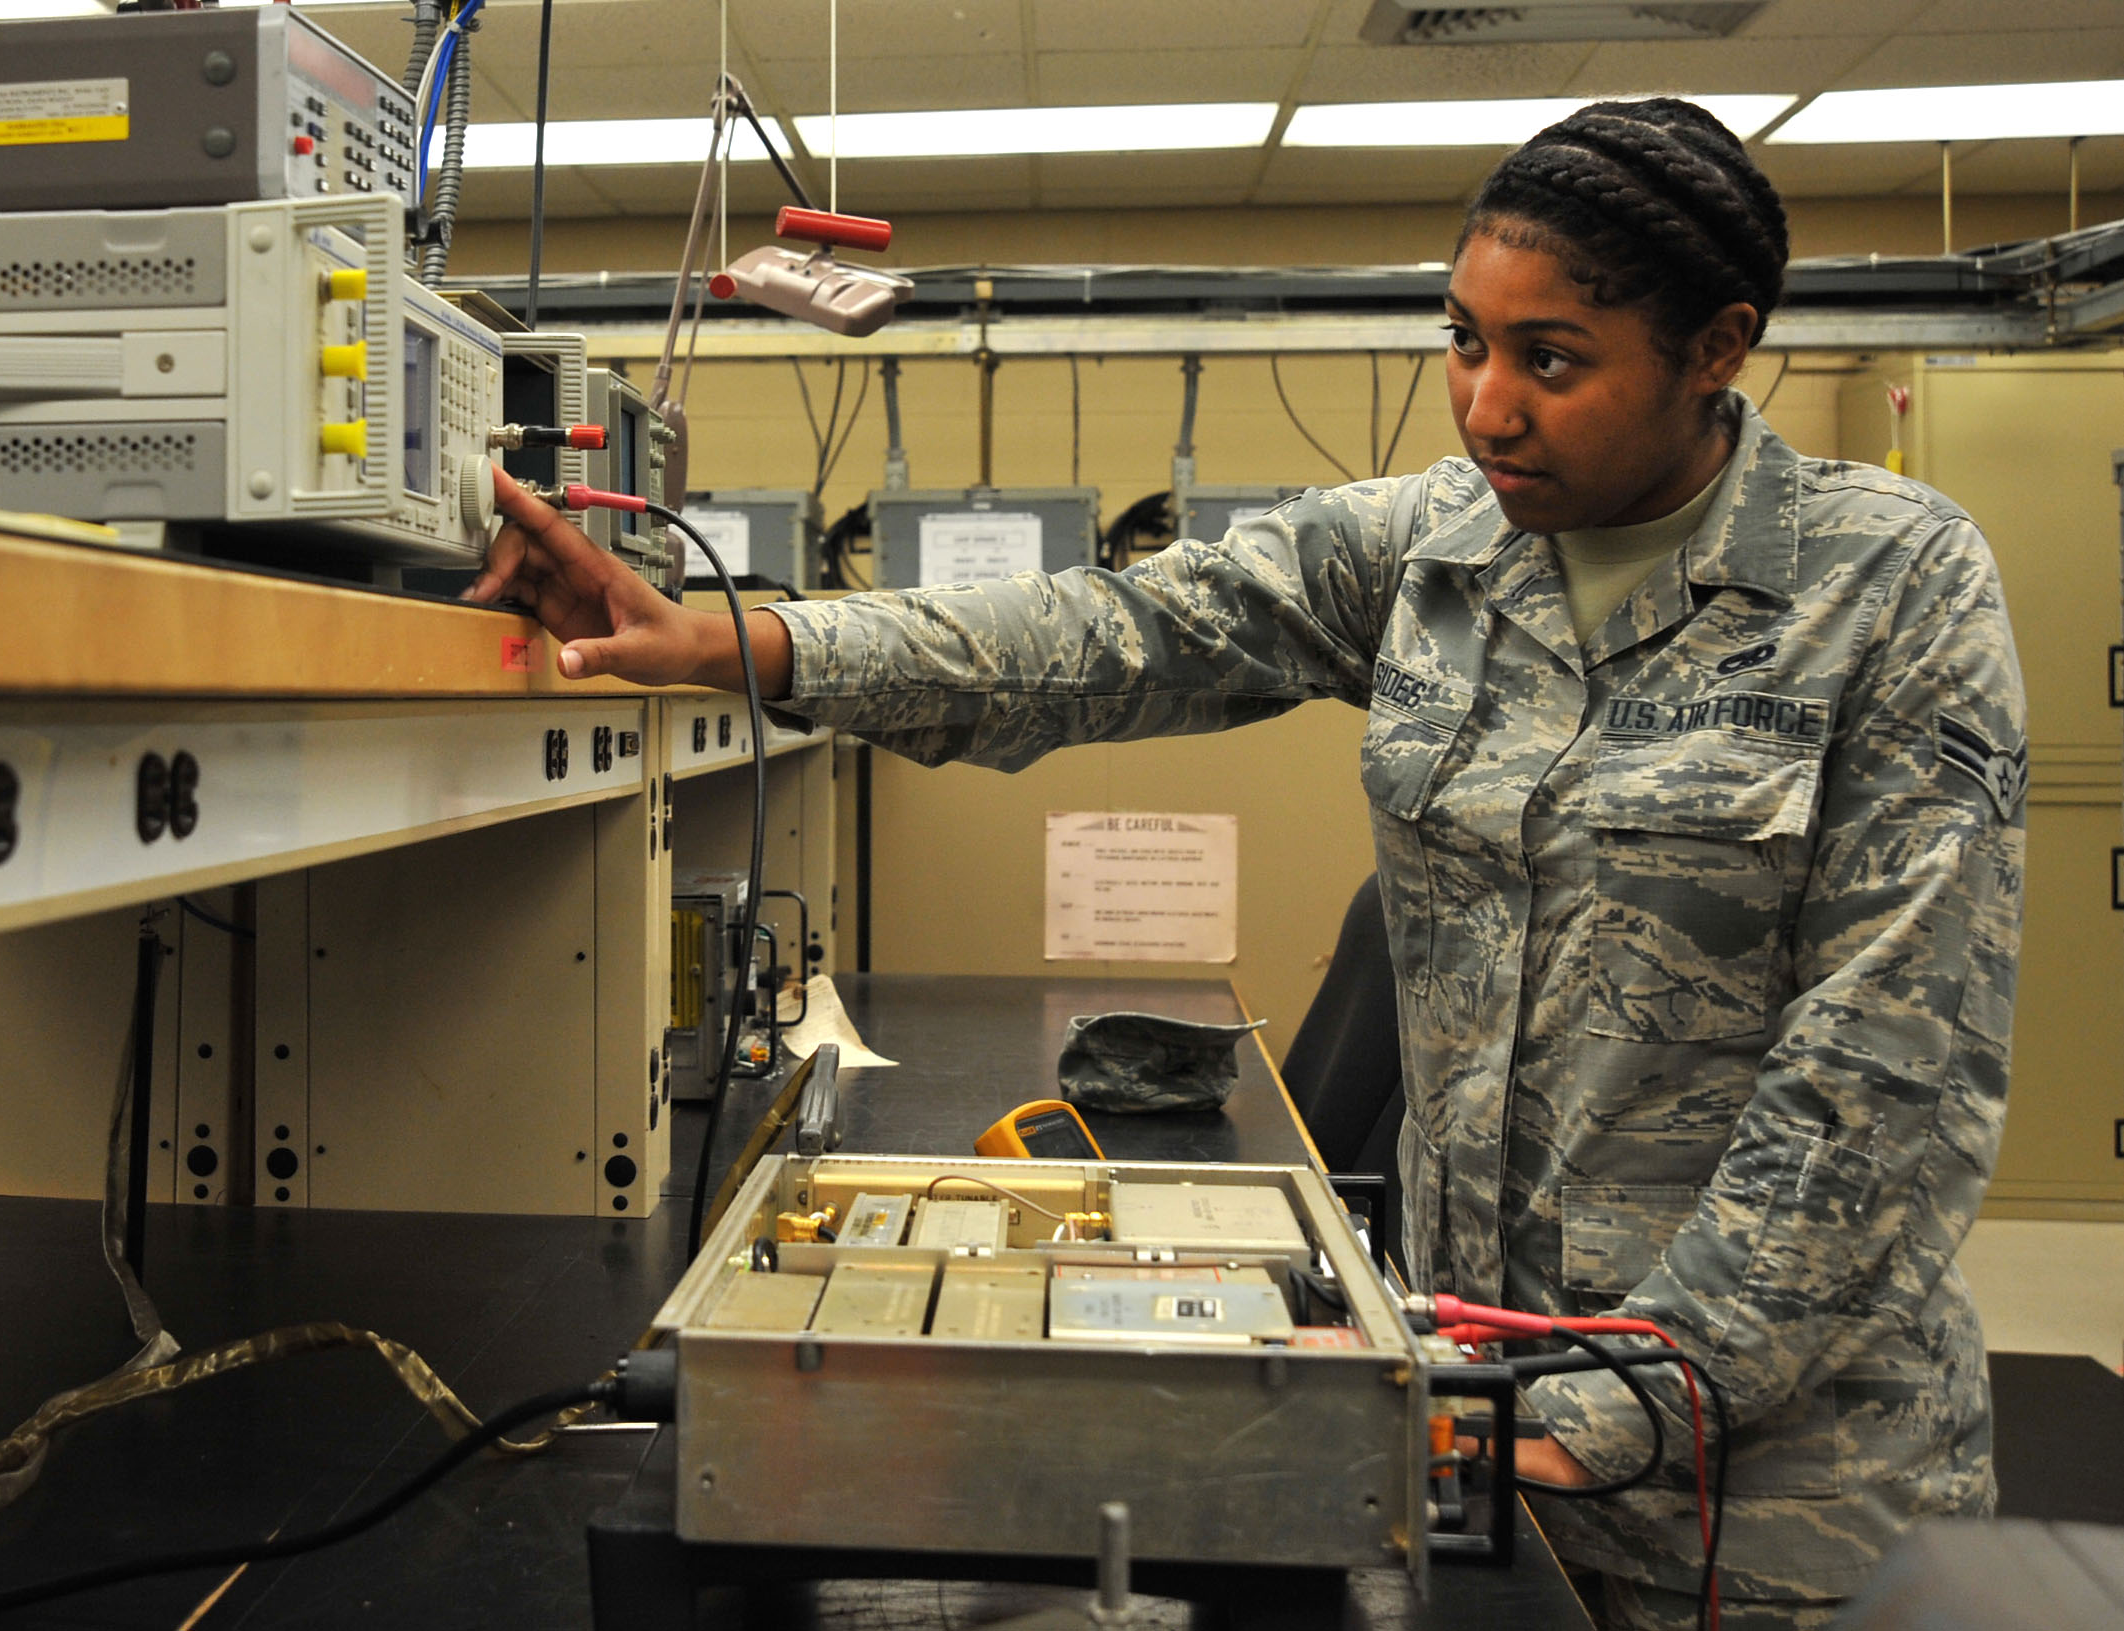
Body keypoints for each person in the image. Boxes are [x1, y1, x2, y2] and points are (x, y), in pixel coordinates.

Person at [467, 98, 2025, 1631]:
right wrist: (731, 635)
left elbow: (1885, 1070)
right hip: (1479, 1403)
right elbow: (1101, 635)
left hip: (1774, 1480)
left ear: (1715, 351)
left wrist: (1619, 1405)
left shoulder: (1887, 583)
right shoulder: (1430, 545)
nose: (1485, 407)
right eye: (1465, 342)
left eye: (1550, 360)